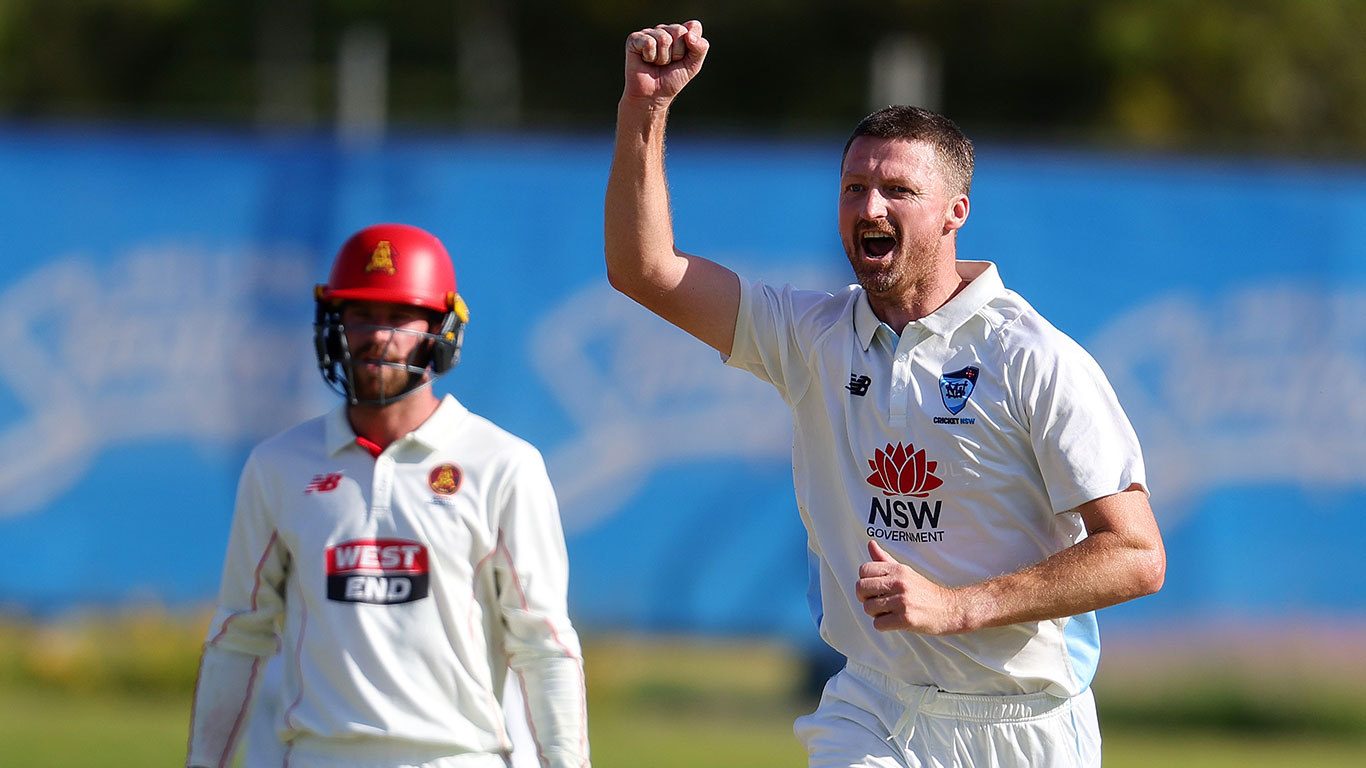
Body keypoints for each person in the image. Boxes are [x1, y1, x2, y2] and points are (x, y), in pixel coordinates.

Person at [605, 20, 1165, 768]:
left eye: (898, 189)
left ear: (954, 212)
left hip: (1026, 726)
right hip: (874, 707)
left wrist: (959, 606)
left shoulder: (1035, 358)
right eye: (854, 187)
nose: (870, 207)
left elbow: (1135, 556)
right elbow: (644, 270)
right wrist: (645, 108)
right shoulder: (809, 332)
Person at [187, 223, 590, 768]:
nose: (378, 336)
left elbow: (544, 645)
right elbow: (238, 635)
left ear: (440, 329)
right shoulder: (278, 466)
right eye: (361, 315)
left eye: (400, 317)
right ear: (335, 324)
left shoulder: (503, 465)